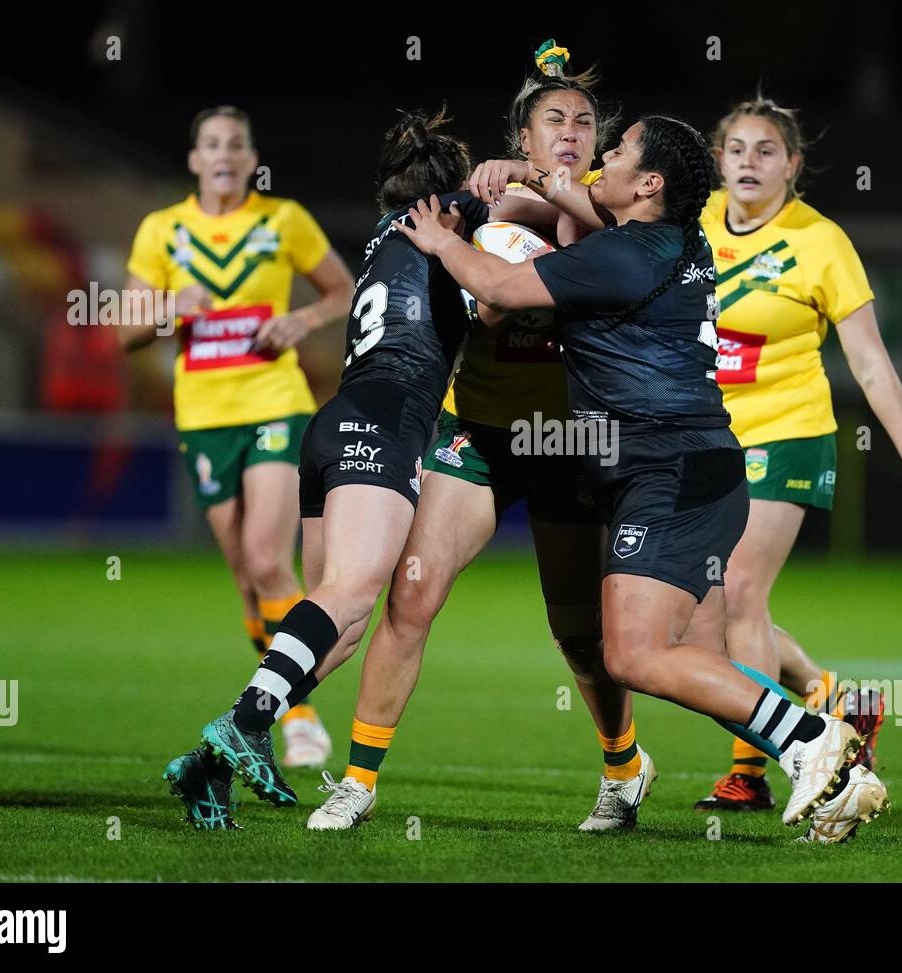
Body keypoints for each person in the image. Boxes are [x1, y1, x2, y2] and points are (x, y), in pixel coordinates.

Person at [396, 114, 889, 835]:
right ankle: (838, 774)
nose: (601, 156)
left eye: (618, 150)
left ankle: (817, 737)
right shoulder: (679, 237)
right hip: (693, 468)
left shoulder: (622, 257)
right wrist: (524, 170)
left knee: (632, 651)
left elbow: (498, 286)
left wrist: (441, 238)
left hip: (670, 473)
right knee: (695, 654)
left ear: (650, 183)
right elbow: (584, 197)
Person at [306, 41, 658, 834]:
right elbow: (462, 249)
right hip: (482, 430)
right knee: (412, 594)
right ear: (521, 135)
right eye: (551, 121)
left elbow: (588, 233)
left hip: (568, 436)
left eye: (583, 120)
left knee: (578, 631)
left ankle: (623, 763)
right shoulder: (482, 203)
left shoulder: (624, 204)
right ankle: (357, 780)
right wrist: (494, 192)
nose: (569, 130)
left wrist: (541, 188)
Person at [161, 108, 484, 829]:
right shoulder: (454, 219)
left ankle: (209, 761)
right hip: (388, 420)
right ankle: (246, 724)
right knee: (350, 590)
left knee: (332, 622)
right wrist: (527, 175)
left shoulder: (380, 235)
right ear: (447, 192)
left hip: (330, 425)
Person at [692, 95, 902, 812]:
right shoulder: (695, 216)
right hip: (708, 436)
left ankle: (750, 771)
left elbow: (870, 362)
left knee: (740, 591)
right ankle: (830, 695)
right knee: (700, 614)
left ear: (793, 165)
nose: (750, 160)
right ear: (718, 159)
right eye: (737, 147)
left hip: (789, 432)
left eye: (766, 149)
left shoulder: (821, 241)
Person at [122, 106, 354, 771]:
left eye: (236, 144)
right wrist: (170, 308)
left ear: (252, 159)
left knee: (265, 556)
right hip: (202, 415)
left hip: (275, 402)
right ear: (194, 159)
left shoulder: (282, 219)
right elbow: (123, 331)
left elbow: (341, 288)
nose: (224, 154)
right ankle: (279, 707)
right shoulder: (162, 230)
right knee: (247, 581)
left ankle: (298, 718)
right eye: (211, 144)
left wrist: (300, 319)